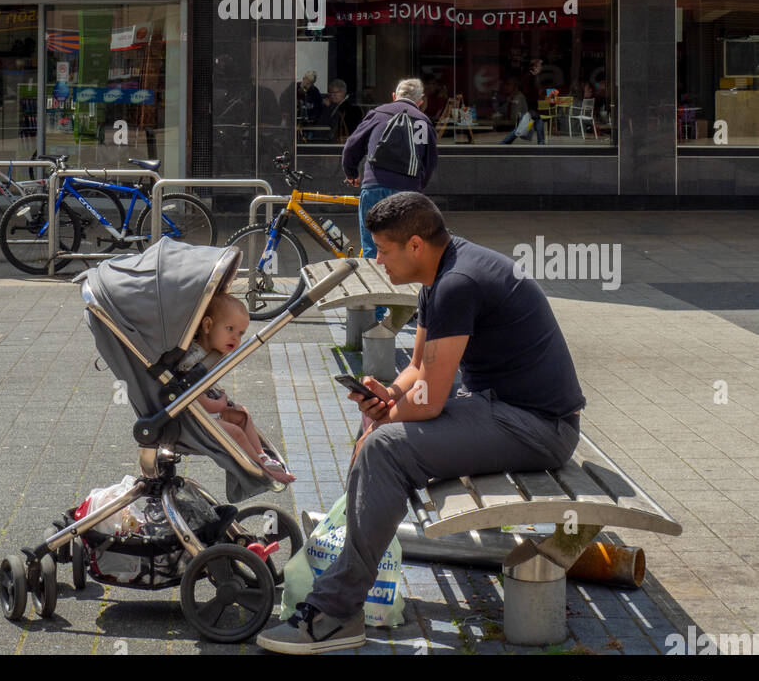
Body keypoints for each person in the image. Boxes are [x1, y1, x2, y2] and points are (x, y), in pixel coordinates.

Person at [257, 192, 585, 653]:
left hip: (538, 427)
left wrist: (390, 414)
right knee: (378, 433)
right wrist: (386, 396)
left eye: (382, 250)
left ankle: (335, 612)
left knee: (385, 447)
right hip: (502, 407)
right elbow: (416, 368)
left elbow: (428, 400)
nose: (375, 259)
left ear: (414, 245)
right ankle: (346, 570)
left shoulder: (458, 282)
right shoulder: (443, 270)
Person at [178, 293, 294, 485]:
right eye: (230, 329)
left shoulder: (209, 353)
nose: (236, 338)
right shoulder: (192, 358)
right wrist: (217, 405)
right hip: (190, 418)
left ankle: (261, 455)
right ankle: (262, 468)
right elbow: (190, 395)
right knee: (236, 432)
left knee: (242, 414)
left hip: (204, 413)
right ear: (207, 326)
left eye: (240, 333)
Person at [340, 78, 437, 259]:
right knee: (403, 246)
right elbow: (429, 162)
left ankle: (373, 284)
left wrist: (351, 173)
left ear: (394, 96)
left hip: (374, 186)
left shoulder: (378, 114)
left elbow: (352, 146)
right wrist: (418, 187)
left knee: (372, 247)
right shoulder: (422, 122)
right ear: (420, 101)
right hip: (407, 191)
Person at [500, 57, 546, 144]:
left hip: (532, 106)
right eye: (539, 66)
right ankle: (504, 143)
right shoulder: (528, 77)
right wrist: (536, 95)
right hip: (529, 106)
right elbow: (527, 91)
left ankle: (541, 143)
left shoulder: (534, 77)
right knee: (521, 128)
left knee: (533, 124)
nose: (541, 68)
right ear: (534, 67)